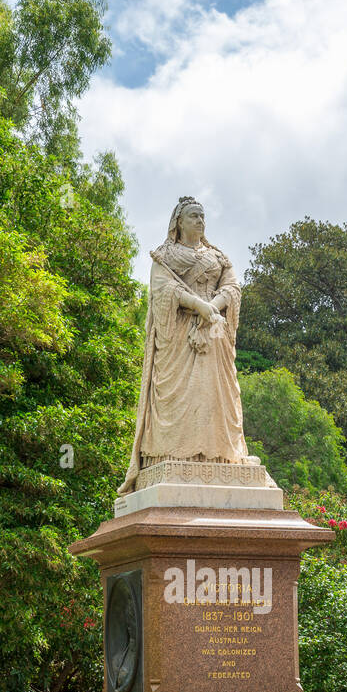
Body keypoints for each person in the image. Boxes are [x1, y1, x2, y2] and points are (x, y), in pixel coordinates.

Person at [118, 196, 250, 494]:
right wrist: (198, 306)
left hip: (214, 335)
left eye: (202, 216)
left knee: (214, 392)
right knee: (182, 395)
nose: (200, 221)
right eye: (193, 216)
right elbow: (165, 289)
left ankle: (223, 455)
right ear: (179, 222)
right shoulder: (164, 256)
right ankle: (171, 454)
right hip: (178, 337)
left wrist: (213, 306)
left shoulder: (219, 257)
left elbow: (233, 287)